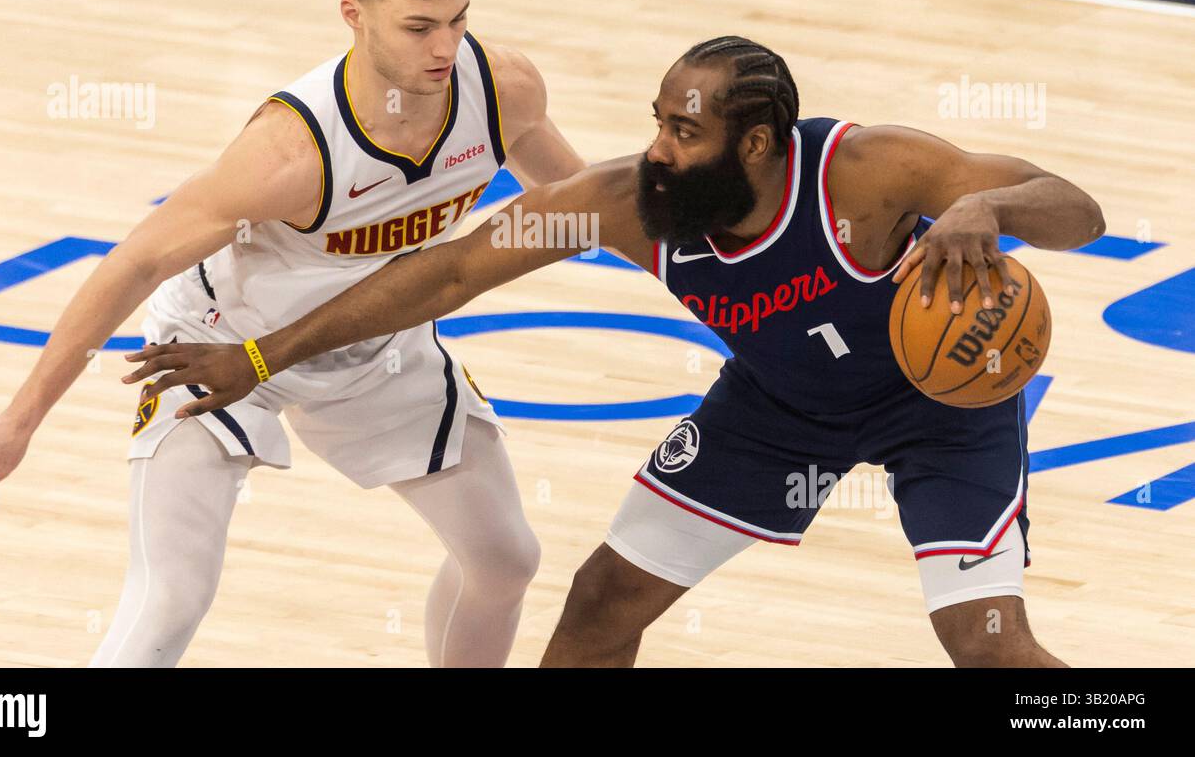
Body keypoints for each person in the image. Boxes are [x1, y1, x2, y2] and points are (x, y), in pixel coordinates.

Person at [126, 36, 1107, 667]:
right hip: (776, 412)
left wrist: (991, 204)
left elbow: (1078, 208)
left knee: (983, 643)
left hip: (942, 408)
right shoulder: (627, 205)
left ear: (759, 143)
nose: (658, 148)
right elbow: (450, 274)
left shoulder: (871, 167)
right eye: (656, 121)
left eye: (684, 129)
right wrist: (263, 356)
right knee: (599, 602)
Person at [0, 0, 587, 668]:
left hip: (374, 347)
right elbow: (136, 263)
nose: (445, 46)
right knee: (172, 597)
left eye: (457, 19)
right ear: (353, 13)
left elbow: (582, 201)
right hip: (221, 350)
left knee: (506, 559)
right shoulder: (289, 150)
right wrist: (19, 419)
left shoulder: (500, 89)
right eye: (418, 28)